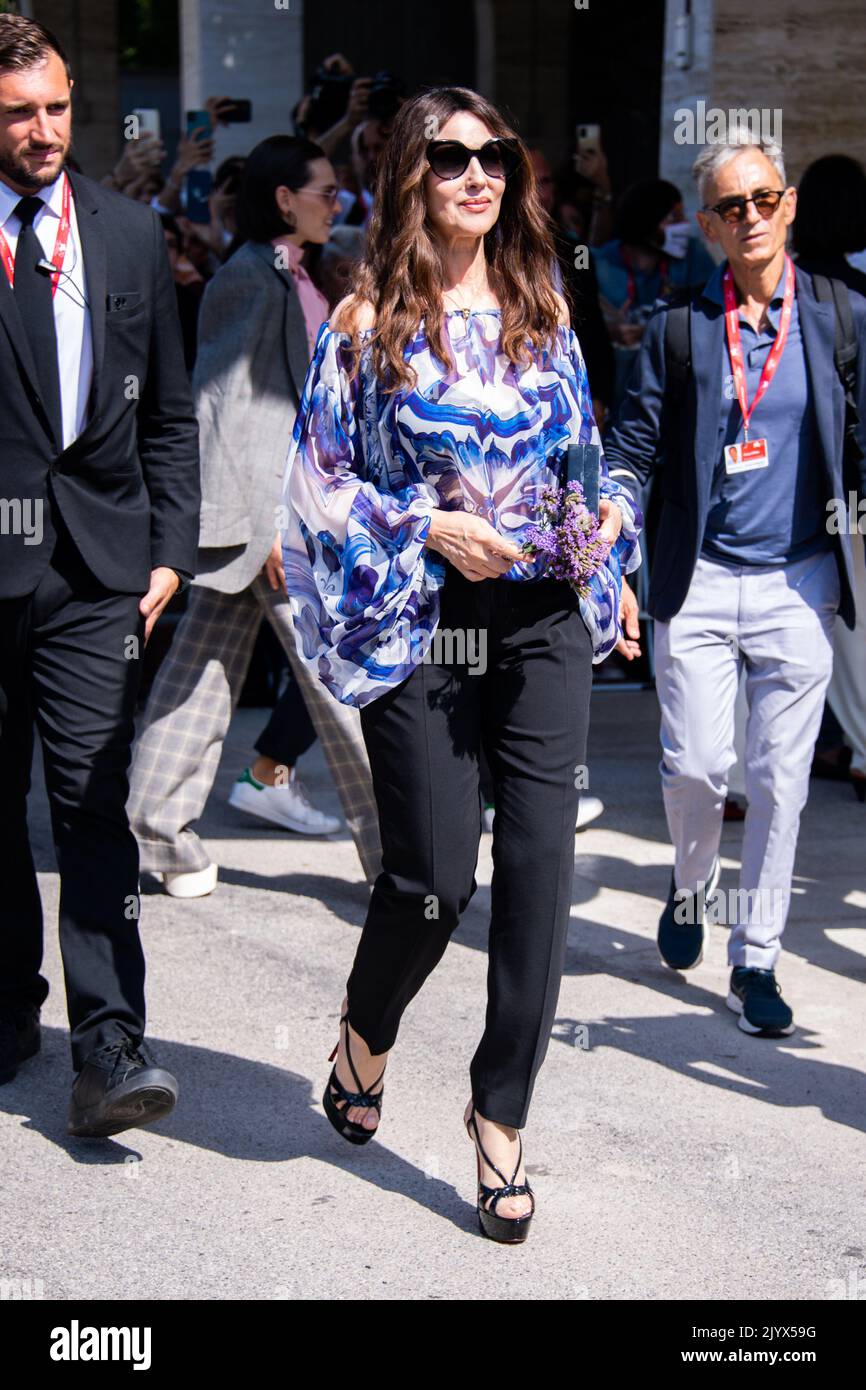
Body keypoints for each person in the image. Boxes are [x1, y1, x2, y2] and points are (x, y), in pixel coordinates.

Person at [280, 86, 641, 1241]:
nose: (476, 175)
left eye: (493, 157)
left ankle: (499, 1119)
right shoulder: (362, 321)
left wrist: (609, 558)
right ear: (410, 176)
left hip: (540, 617)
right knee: (435, 880)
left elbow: (587, 455)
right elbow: (315, 485)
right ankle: (364, 1031)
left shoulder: (544, 304)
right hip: (424, 617)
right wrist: (426, 527)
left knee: (537, 872)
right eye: (448, 158)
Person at [604, 131, 866, 1035]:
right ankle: (690, 887)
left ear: (788, 206)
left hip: (802, 578)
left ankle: (756, 960)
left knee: (781, 780)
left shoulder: (838, 315)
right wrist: (613, 532)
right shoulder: (681, 330)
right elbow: (632, 448)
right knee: (699, 768)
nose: (750, 217)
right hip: (701, 578)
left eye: (763, 200)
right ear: (709, 226)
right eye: (730, 206)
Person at [0, 17, 200, 1134]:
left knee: (89, 806)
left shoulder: (126, 232)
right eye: (19, 112)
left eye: (57, 108)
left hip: (95, 575)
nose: (43, 131)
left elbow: (168, 410)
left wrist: (170, 548)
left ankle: (109, 1041)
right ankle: (4, 1005)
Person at [127, 136, 383, 896]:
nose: (334, 205)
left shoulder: (293, 274)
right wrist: (273, 524)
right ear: (284, 199)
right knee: (341, 689)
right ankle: (400, 861)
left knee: (196, 682)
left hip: (265, 525)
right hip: (270, 527)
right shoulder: (249, 279)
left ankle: (156, 837)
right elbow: (225, 409)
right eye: (325, 193)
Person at [794, 154, 866, 801]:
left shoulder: (787, 290)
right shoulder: (861, 291)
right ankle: (857, 747)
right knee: (858, 617)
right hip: (850, 483)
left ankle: (835, 741)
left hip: (794, 485)